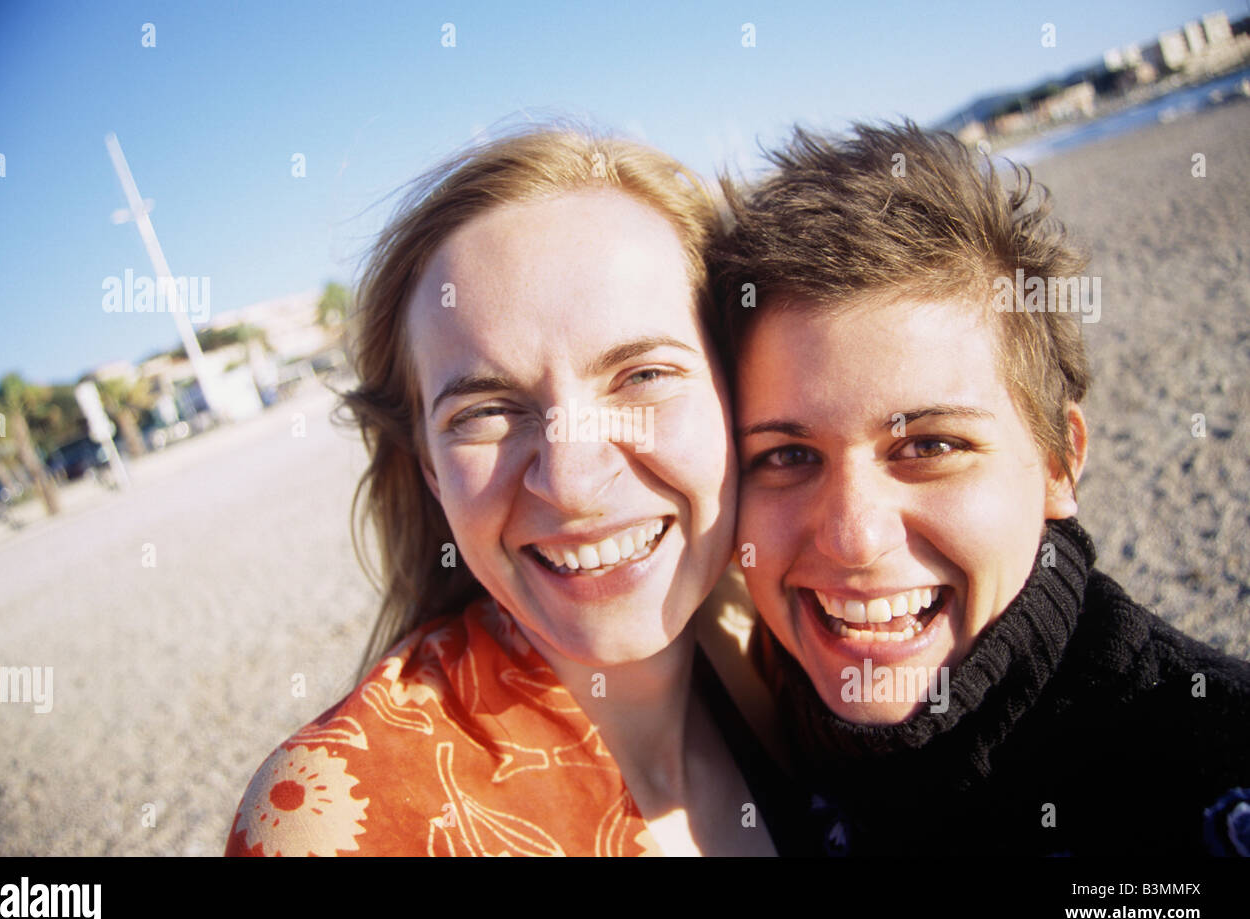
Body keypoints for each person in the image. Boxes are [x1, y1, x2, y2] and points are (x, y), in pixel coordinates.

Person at [224, 124, 794, 857]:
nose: (572, 481)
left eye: (642, 375)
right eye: (485, 412)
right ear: (429, 468)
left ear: (736, 390)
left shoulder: (802, 654)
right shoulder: (340, 819)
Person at [711, 121, 1250, 856]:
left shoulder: (1213, 773)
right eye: (787, 454)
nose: (853, 536)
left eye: (931, 445)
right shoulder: (725, 733)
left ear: (1060, 461)